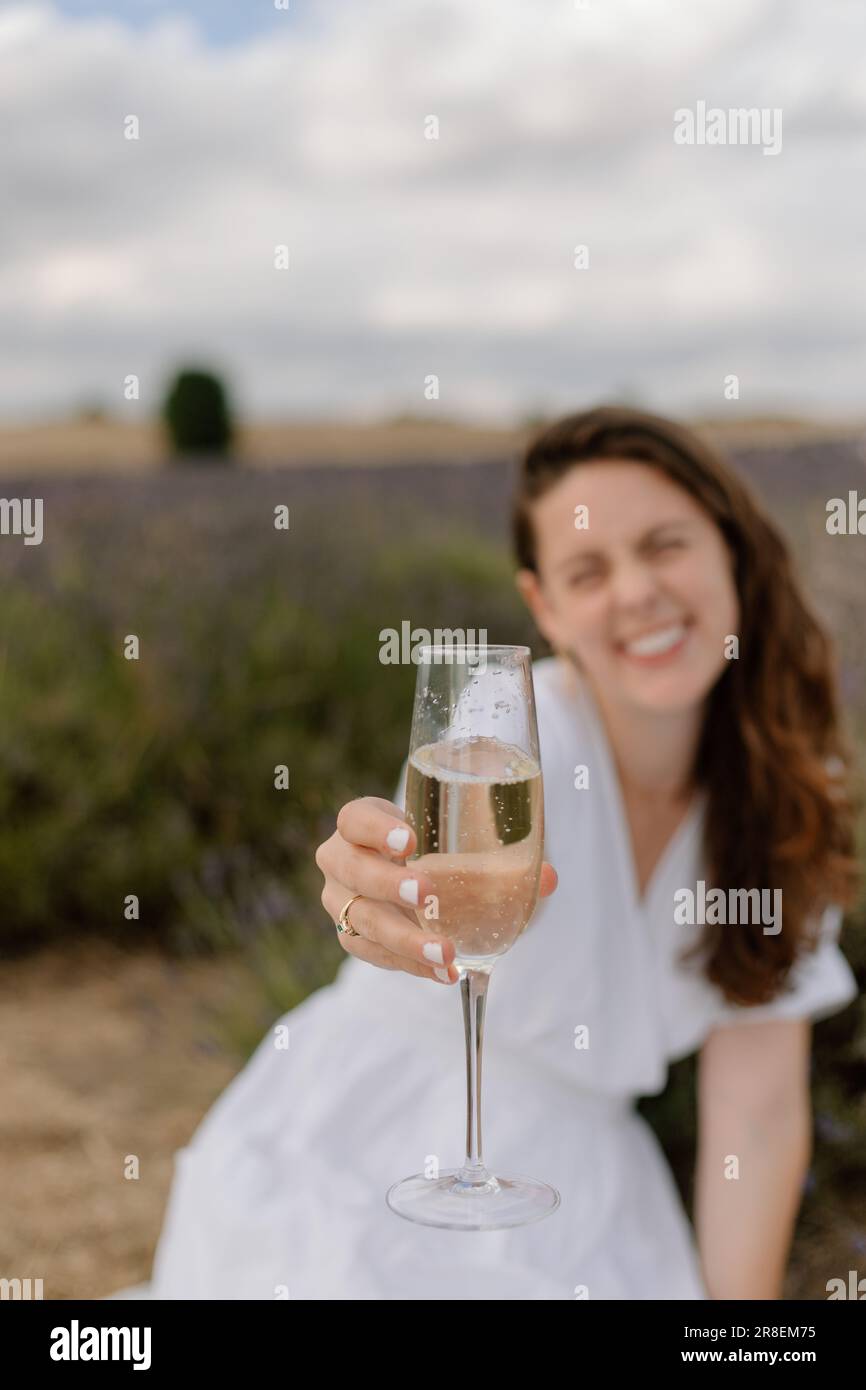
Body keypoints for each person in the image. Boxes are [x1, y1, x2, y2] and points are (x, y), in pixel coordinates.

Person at [145, 406, 859, 1300]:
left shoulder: (784, 793)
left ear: (734, 555)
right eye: (589, 569)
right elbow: (406, 850)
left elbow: (756, 1118)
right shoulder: (512, 727)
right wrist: (365, 889)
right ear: (545, 607)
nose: (635, 591)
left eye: (666, 545)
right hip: (369, 1149)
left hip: (583, 1194)